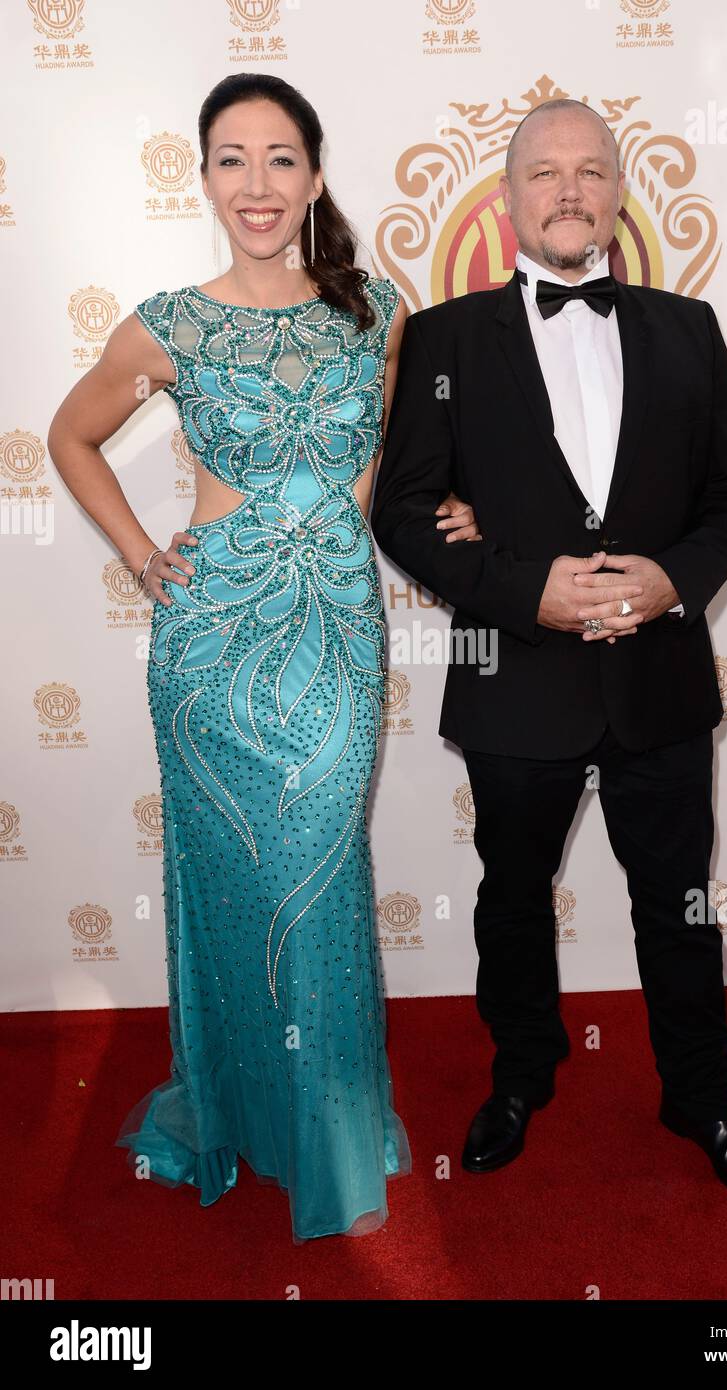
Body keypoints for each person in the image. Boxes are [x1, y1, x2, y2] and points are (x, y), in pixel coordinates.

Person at [47, 72, 480, 1242]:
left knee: (323, 872)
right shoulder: (171, 325)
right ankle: (236, 1108)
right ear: (203, 179)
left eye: (279, 157)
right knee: (228, 880)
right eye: (231, 159)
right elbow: (70, 433)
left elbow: (392, 470)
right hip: (208, 646)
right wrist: (143, 551)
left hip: (335, 629)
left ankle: (326, 1120)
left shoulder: (377, 314)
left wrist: (456, 510)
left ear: (315, 176)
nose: (256, 183)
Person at [371, 99, 727, 1205]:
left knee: (680, 903)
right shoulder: (446, 339)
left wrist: (673, 580)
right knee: (511, 896)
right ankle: (520, 1078)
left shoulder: (686, 327)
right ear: (505, 198)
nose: (568, 191)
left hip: (660, 683)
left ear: (617, 194)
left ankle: (702, 1098)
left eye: (591, 171)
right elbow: (406, 514)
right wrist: (526, 592)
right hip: (518, 683)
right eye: (544, 173)